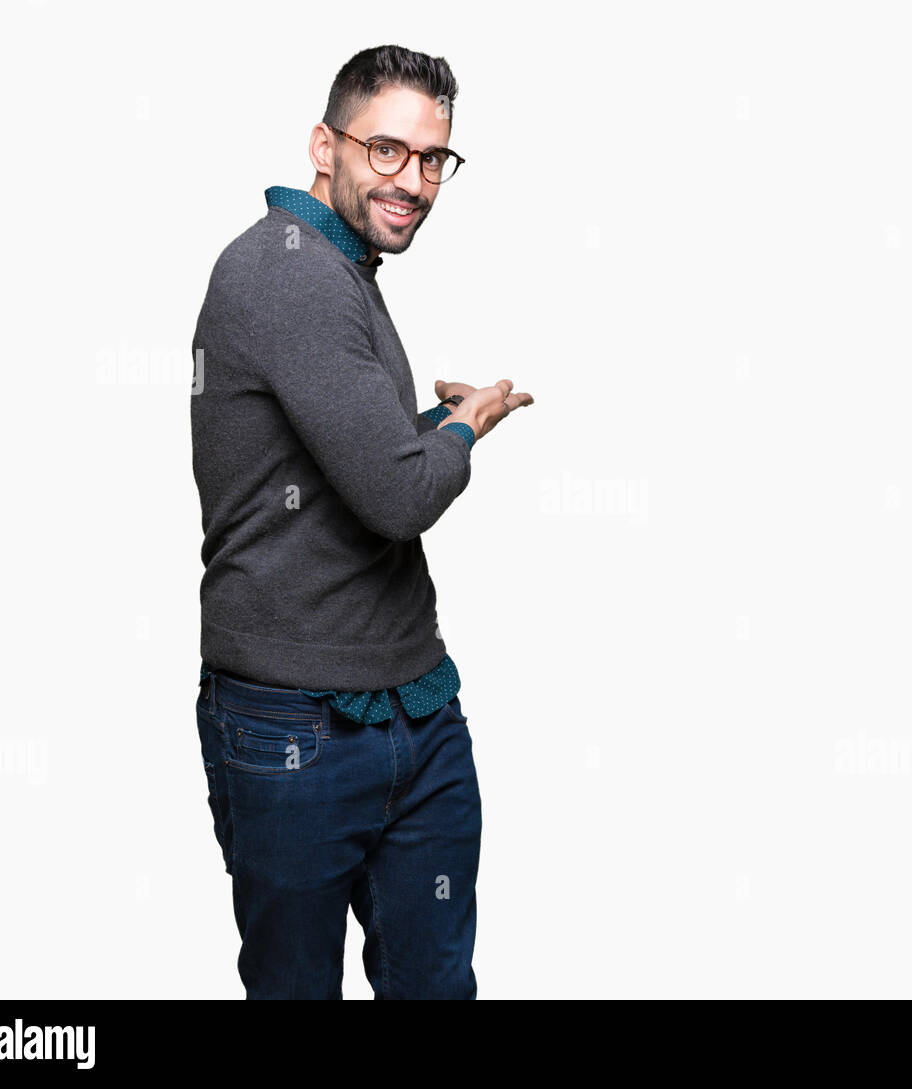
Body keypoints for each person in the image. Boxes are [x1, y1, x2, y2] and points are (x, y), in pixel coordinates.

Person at [189, 44, 534, 999]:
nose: (414, 181)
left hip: (412, 706)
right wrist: (461, 428)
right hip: (296, 724)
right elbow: (396, 495)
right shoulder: (291, 272)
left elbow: (353, 458)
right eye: (386, 150)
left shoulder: (337, 268)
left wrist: (439, 429)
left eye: (434, 159)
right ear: (322, 144)